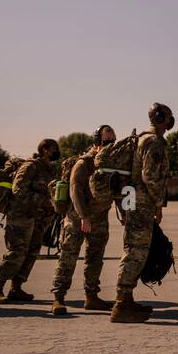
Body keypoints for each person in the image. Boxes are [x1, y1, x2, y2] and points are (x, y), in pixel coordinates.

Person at [111, 104, 172, 322]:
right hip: (142, 202)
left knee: (134, 249)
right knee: (136, 251)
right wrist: (158, 204)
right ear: (162, 118)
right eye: (169, 116)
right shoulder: (153, 141)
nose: (171, 120)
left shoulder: (141, 139)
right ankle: (121, 304)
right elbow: (151, 177)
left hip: (133, 199)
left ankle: (126, 300)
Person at [50, 126, 115, 315]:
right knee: (68, 257)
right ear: (96, 143)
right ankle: (58, 298)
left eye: (113, 142)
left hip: (100, 218)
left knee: (95, 259)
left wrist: (123, 211)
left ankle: (92, 297)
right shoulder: (84, 163)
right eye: (106, 142)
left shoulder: (109, 164)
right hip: (77, 218)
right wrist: (84, 216)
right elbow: (75, 190)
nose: (110, 145)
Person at [0, 138, 60, 304]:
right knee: (16, 252)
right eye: (54, 148)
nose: (57, 151)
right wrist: (41, 201)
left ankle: (16, 288)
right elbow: (18, 190)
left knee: (32, 252)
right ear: (45, 150)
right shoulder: (30, 166)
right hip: (21, 217)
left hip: (39, 219)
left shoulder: (49, 169)